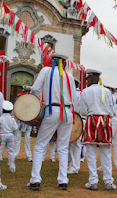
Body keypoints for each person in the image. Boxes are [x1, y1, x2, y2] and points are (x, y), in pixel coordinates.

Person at [27, 54, 76, 191]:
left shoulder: (46, 71)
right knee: (63, 147)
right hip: (68, 113)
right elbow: (74, 98)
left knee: (40, 145)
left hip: (52, 110)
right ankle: (62, 181)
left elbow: (36, 88)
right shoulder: (69, 76)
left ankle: (35, 180)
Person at [80, 69, 116, 191]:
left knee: (91, 154)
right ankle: (108, 182)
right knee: (106, 153)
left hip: (92, 120)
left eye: (87, 80)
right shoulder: (107, 91)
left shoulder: (85, 92)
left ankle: (93, 181)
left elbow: (83, 112)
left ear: (90, 79)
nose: (86, 82)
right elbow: (113, 111)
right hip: (105, 122)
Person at [0, 101, 18, 173]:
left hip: (2, 135)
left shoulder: (0, 118)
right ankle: (12, 167)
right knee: (11, 151)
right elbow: (15, 128)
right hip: (10, 135)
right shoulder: (12, 118)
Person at [14, 86, 33, 162]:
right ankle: (15, 155)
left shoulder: (32, 99)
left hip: (28, 121)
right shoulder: (19, 98)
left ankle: (29, 156)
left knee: (27, 140)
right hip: (20, 121)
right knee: (17, 139)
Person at [68, 78, 82, 174]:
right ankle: (72, 165)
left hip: (74, 119)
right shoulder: (81, 94)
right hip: (78, 119)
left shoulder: (72, 94)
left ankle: (74, 166)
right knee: (73, 144)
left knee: (74, 144)